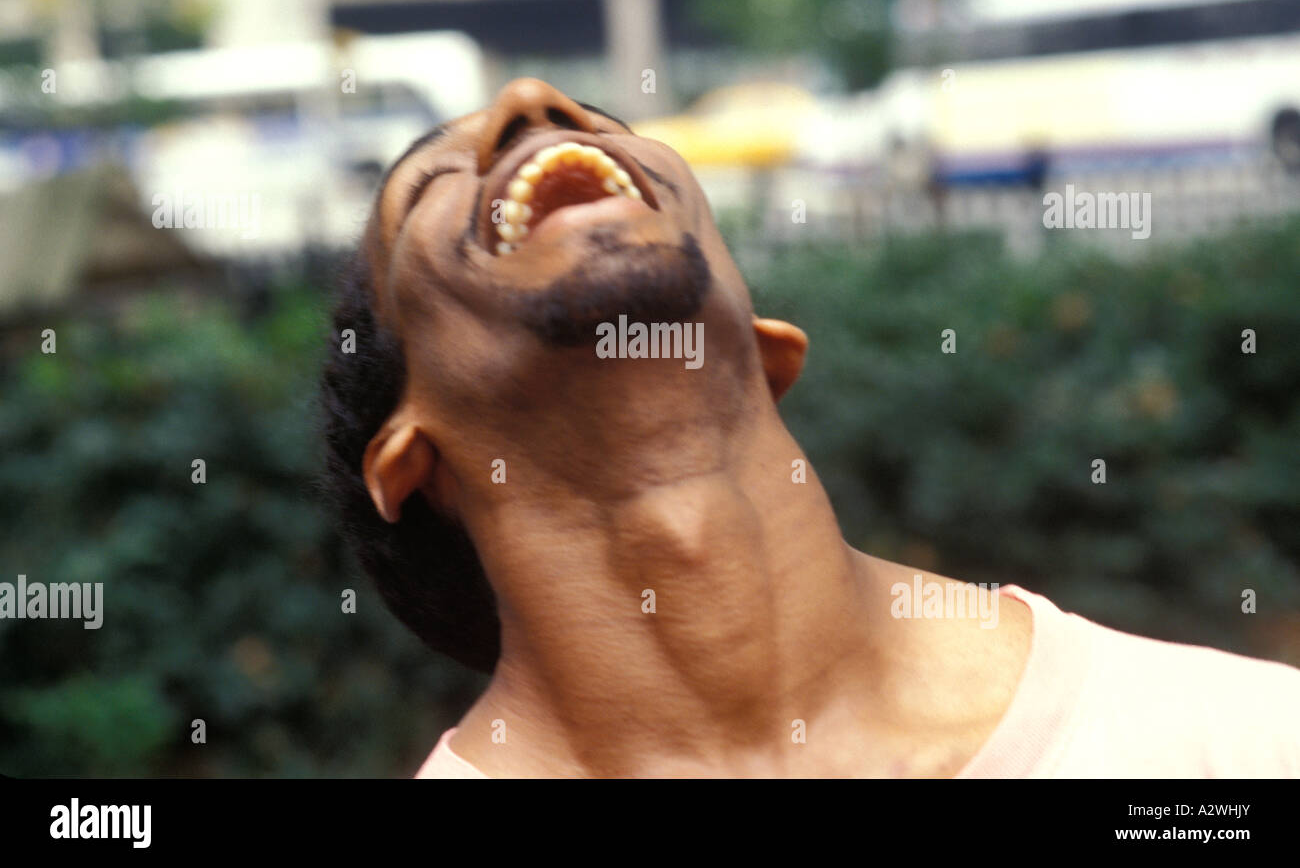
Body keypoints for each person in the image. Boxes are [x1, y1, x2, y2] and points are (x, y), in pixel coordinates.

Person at [320, 78, 1300, 778]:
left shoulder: (1249, 745)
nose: (531, 102)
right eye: (422, 192)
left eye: (598, 119)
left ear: (768, 350)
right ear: (413, 461)